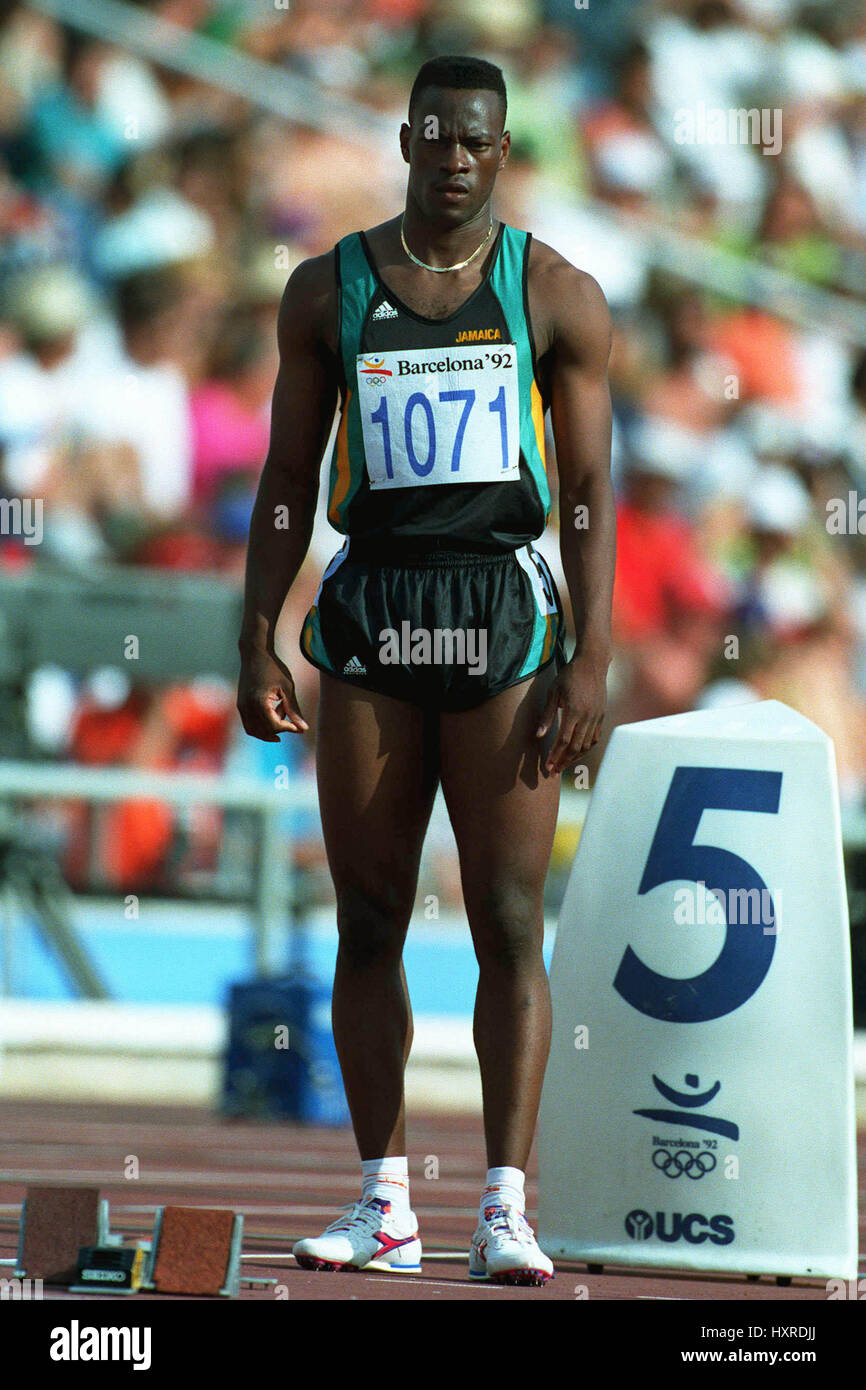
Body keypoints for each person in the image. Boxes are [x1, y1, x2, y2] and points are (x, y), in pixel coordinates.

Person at [237, 55, 615, 1286]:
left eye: (478, 140)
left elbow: (594, 495)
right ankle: (383, 1201)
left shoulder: (554, 294)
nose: (454, 154)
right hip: (372, 610)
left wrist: (590, 663)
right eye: (436, 134)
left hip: (498, 613)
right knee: (368, 917)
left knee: (508, 917)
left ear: (504, 154)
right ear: (404, 138)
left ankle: (505, 1205)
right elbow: (289, 482)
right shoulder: (324, 290)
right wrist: (255, 631)